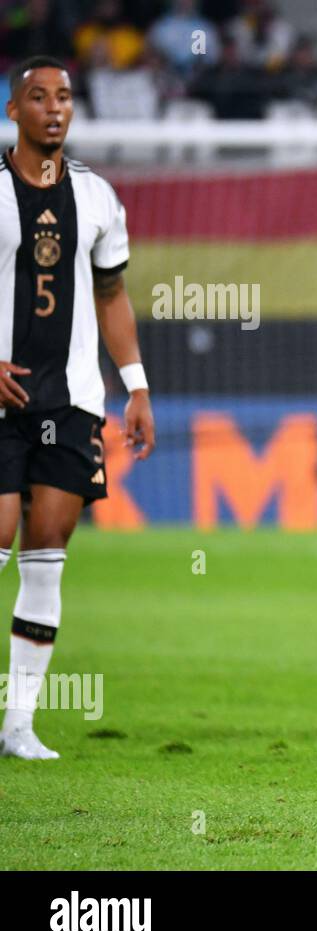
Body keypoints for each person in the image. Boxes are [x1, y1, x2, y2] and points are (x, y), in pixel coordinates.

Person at [0, 57, 155, 760]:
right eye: (38, 97)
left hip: (71, 400)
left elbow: (113, 292)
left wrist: (137, 384)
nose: (55, 108)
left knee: (46, 557)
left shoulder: (96, 195)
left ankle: (18, 723)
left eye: (64, 97)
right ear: (14, 112)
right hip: (3, 398)